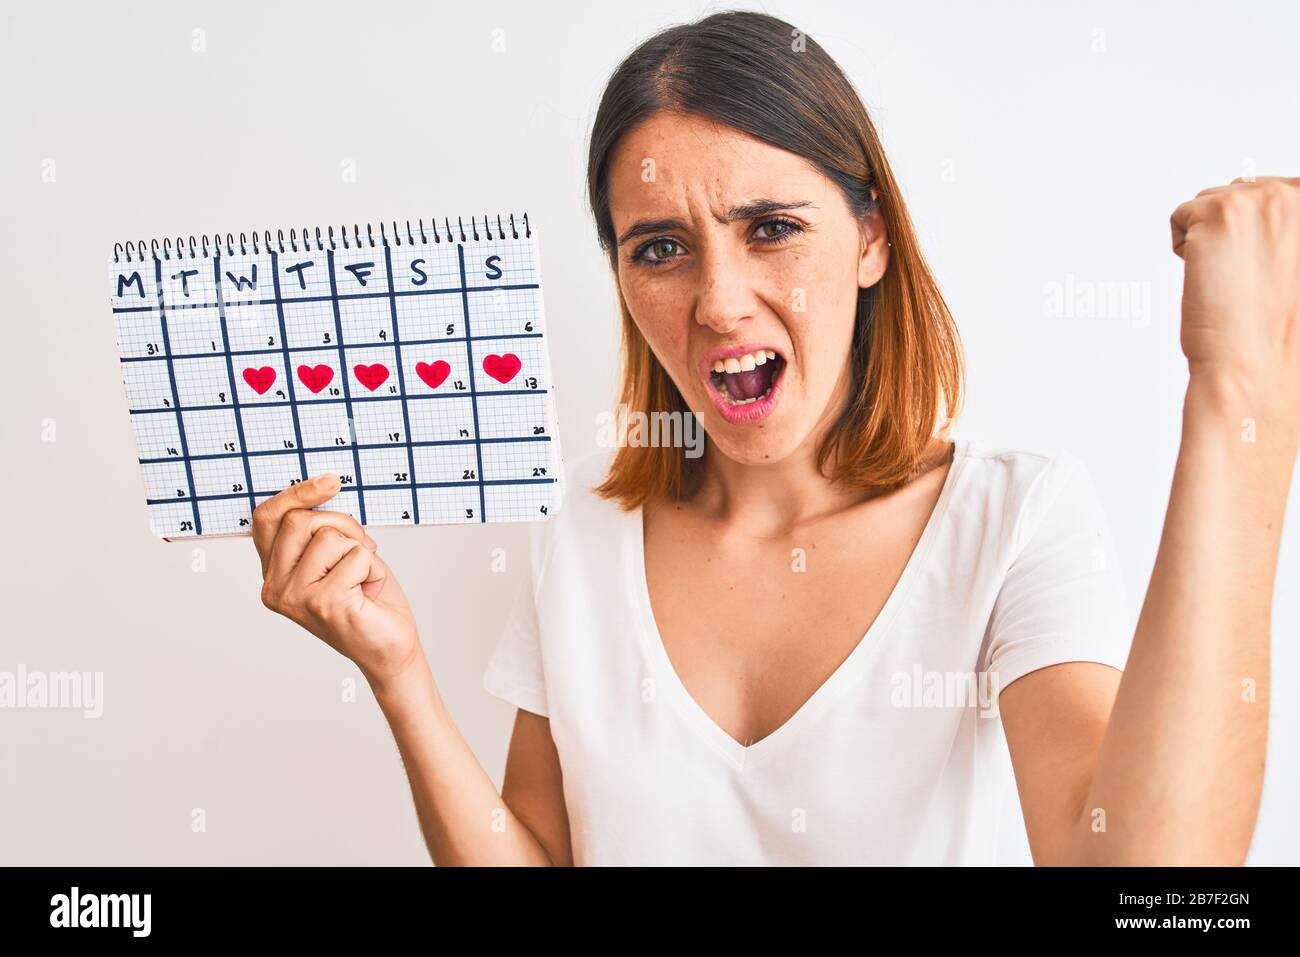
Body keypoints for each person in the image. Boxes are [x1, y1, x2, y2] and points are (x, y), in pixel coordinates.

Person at [252, 11, 1300, 865]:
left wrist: (1240, 394)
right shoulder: (580, 524)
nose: (717, 301)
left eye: (771, 227)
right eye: (659, 248)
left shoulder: (1011, 521)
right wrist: (398, 675)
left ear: (871, 238)